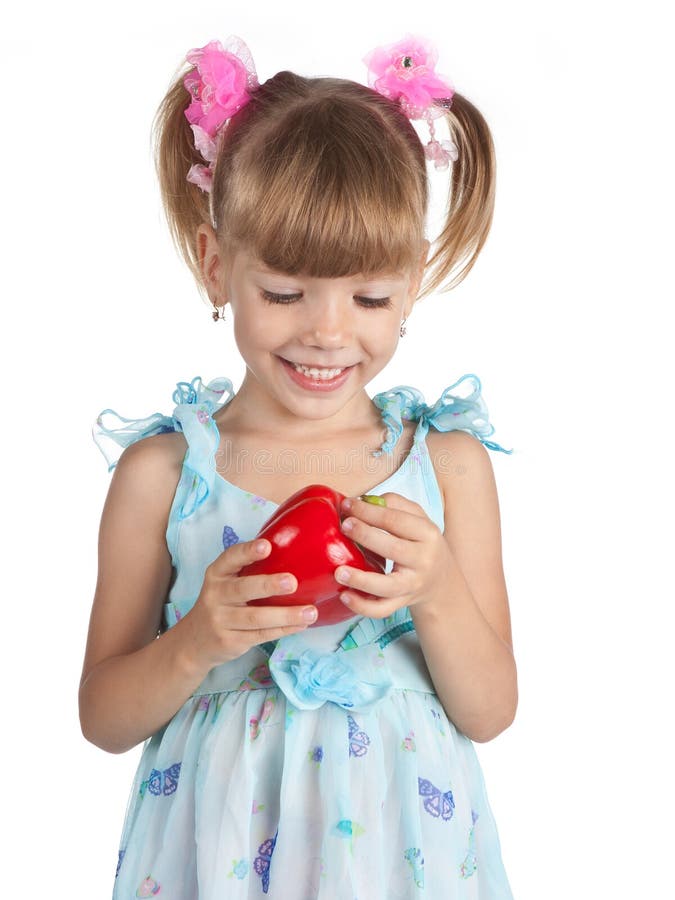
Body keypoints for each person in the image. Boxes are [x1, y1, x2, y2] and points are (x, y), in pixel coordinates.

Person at [80, 32, 518, 899]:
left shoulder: (445, 466)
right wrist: (196, 642)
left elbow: (489, 711)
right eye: (283, 293)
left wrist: (433, 591)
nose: (326, 331)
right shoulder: (165, 475)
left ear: (414, 281)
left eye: (369, 297)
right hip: (218, 855)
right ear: (216, 265)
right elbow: (103, 717)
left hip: (405, 859)